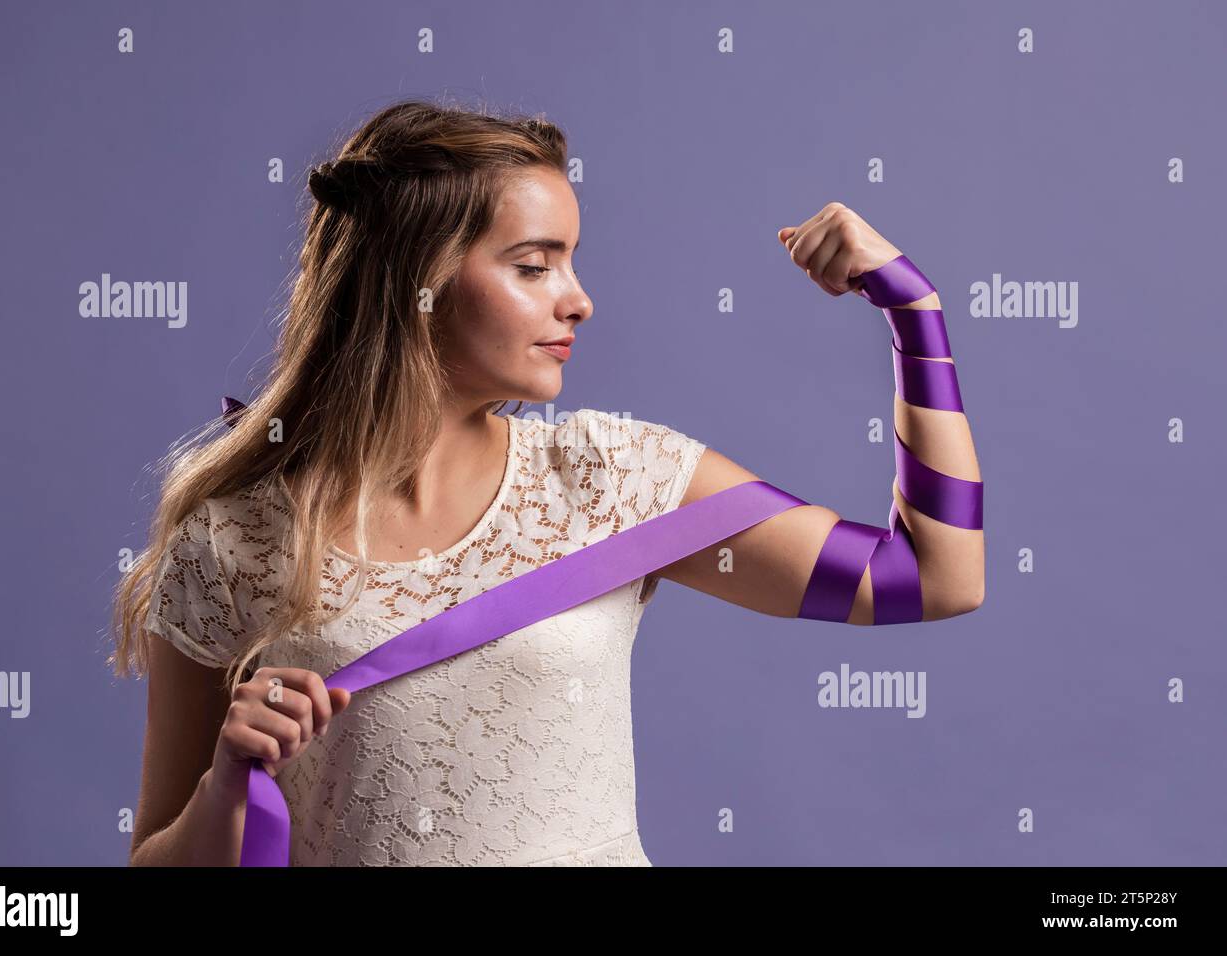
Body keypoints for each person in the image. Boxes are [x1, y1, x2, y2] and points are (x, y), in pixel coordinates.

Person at [111, 98, 983, 867]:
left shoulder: (612, 478)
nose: (578, 300)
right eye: (533, 266)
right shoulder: (234, 541)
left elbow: (931, 577)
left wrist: (915, 314)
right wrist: (227, 783)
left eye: (570, 261)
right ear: (414, 283)